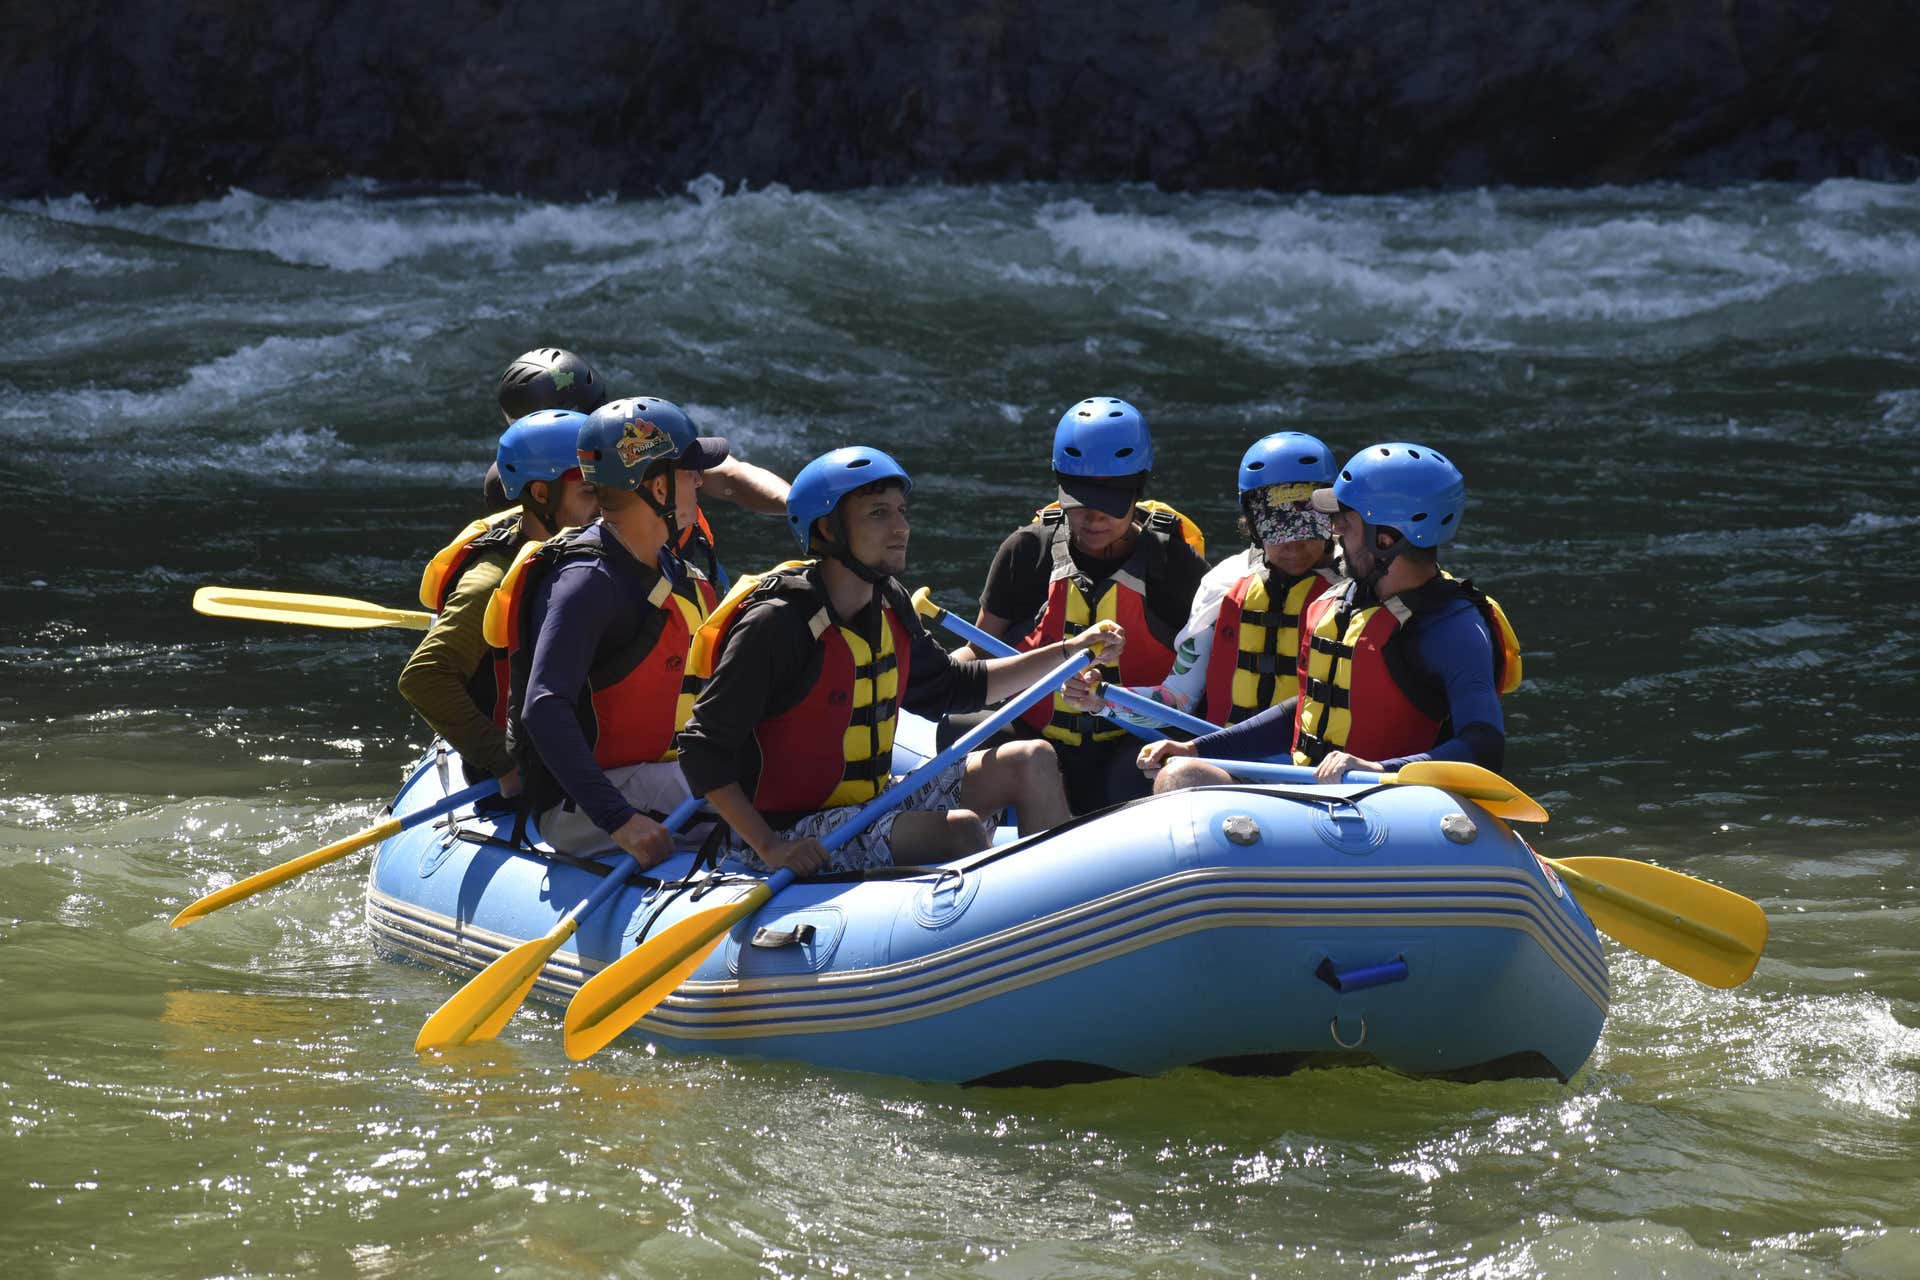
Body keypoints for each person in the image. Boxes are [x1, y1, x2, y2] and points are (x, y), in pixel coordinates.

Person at [675, 447, 1122, 876]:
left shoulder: (888, 602)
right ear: (827, 530)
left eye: (901, 511)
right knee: (961, 830)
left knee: (1033, 759)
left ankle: (1057, 908)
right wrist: (771, 847)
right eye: (878, 513)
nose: (900, 527)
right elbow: (701, 749)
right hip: (788, 829)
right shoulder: (776, 624)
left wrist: (1069, 651)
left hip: (871, 802)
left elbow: (954, 685)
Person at [1138, 441, 1521, 793]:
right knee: (1180, 774)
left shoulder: (1453, 626)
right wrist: (1196, 747)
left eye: (1346, 521)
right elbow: (1305, 707)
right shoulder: (1334, 603)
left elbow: (1483, 745)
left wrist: (1380, 769)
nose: (1333, 530)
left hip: (1387, 804)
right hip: (1307, 787)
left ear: (1385, 540)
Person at [491, 397, 726, 861]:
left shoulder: (667, 566)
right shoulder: (586, 581)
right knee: (757, 812)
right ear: (658, 489)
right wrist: (619, 820)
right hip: (586, 804)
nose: (700, 480)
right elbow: (544, 707)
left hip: (652, 773)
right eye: (689, 471)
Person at [952, 396, 1208, 813]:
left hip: (1129, 745)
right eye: (1079, 498)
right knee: (955, 729)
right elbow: (980, 650)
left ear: (1137, 489)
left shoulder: (1174, 566)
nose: (1092, 517)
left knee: (1141, 778)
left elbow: (1200, 682)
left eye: (1109, 501)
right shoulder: (1026, 551)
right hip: (1035, 736)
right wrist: (925, 674)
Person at [1079, 431, 1343, 730]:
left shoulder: (1363, 582)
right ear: (1254, 527)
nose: (1293, 547)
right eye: (1277, 530)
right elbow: (1177, 698)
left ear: (1331, 519)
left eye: (1305, 528)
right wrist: (1102, 700)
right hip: (1232, 762)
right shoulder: (1224, 584)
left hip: (1324, 768)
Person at [399, 410, 600, 793]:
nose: (604, 507)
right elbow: (424, 677)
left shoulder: (579, 547)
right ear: (541, 494)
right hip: (520, 768)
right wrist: (504, 762)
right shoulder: (490, 581)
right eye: (589, 492)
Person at [488, 348, 789, 589]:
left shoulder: (629, 439)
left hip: (688, 592)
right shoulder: (516, 482)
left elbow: (730, 475)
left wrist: (796, 505)